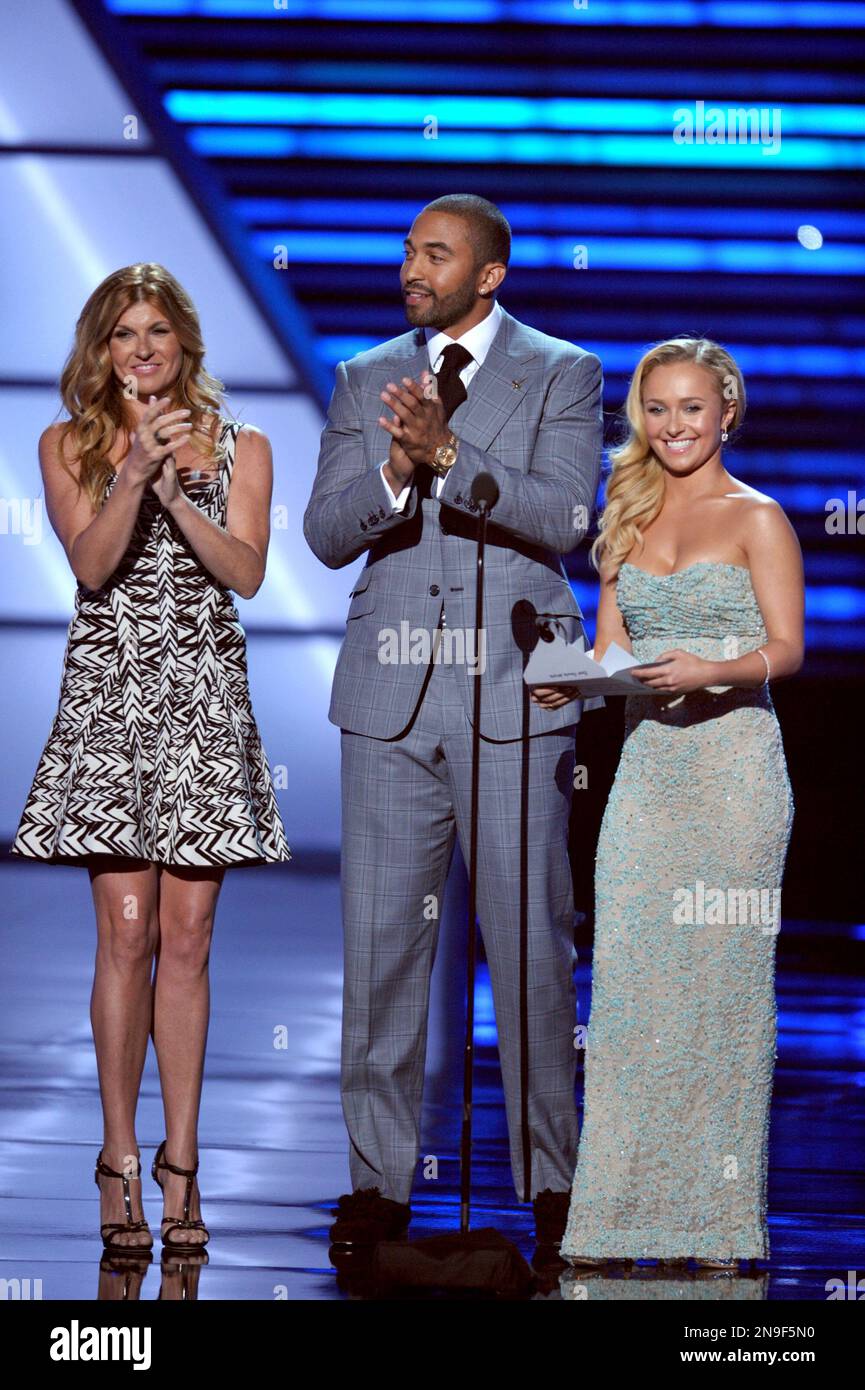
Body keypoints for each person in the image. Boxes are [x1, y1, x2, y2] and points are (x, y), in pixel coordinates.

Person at [303, 194, 603, 1257]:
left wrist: (447, 453)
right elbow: (325, 532)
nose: (410, 267)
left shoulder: (562, 372)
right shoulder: (362, 376)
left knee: (529, 950)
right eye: (405, 250)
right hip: (391, 703)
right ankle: (378, 1188)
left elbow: (567, 514)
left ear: (490, 275)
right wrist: (392, 468)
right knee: (379, 957)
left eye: (436, 253)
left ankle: (553, 1185)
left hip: (515, 693)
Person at [12, 263, 291, 1254]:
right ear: (102, 347)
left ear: (184, 344)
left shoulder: (244, 443)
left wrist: (181, 495)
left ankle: (184, 1161)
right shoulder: (67, 443)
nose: (141, 349)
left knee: (190, 934)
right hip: (113, 704)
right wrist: (132, 475)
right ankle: (119, 1158)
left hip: (205, 707)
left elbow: (248, 573)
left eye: (157, 332)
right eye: (124, 333)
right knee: (124, 935)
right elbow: (89, 565)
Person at [560, 337, 803, 1269]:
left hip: (735, 773)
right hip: (648, 776)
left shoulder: (757, 518)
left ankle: (713, 1223)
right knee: (629, 995)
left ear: (727, 412)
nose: (673, 426)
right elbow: (611, 649)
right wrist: (575, 682)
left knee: (720, 996)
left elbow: (787, 650)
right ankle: (614, 1219)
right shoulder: (623, 514)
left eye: (691, 408)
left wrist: (714, 668)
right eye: (656, 409)